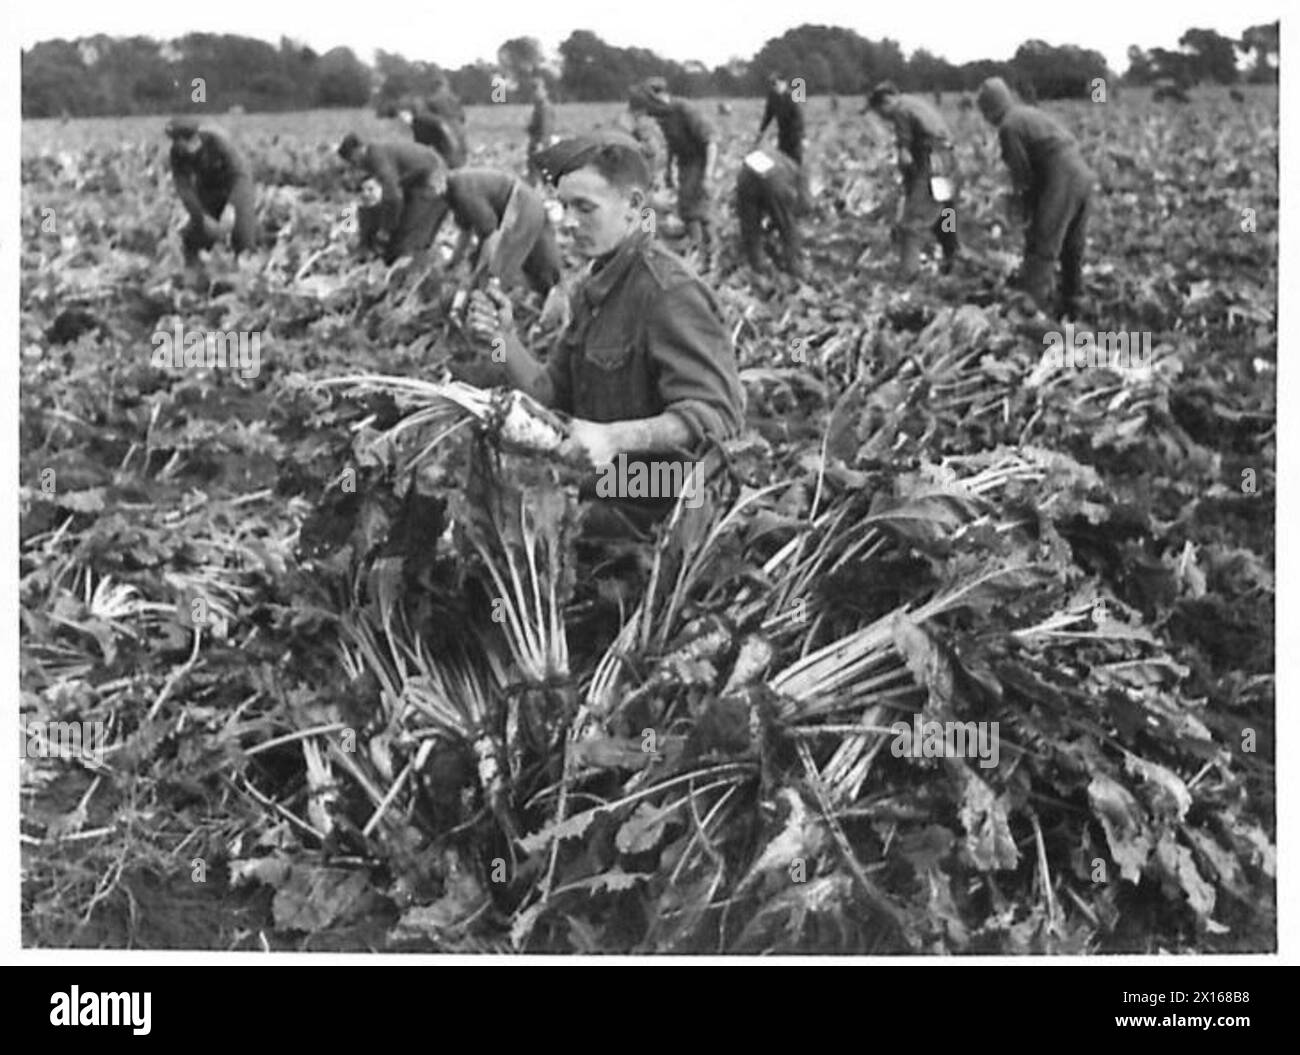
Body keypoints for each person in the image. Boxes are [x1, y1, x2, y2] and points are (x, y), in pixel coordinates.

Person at [465, 140, 744, 537]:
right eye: (562, 207)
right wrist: (503, 339)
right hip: (608, 487)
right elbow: (550, 395)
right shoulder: (589, 292)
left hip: (669, 502)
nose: (567, 222)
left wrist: (615, 438)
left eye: (584, 208)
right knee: (483, 494)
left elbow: (720, 418)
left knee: (516, 518)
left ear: (632, 206)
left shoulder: (668, 292)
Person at [976, 76, 1094, 315]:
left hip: (1061, 175)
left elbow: (1022, 175)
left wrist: (1027, 211)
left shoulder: (1009, 127)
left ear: (989, 111)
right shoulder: (1026, 113)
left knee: (1042, 245)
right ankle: (1074, 302)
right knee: (1072, 245)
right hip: (1082, 172)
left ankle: (1029, 311)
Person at [867, 81, 959, 278]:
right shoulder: (915, 103)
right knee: (945, 212)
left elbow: (905, 154)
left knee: (912, 223)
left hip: (929, 162)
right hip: (946, 160)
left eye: (880, 112)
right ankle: (952, 257)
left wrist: (909, 186)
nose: (883, 118)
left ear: (886, 101)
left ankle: (908, 274)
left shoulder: (900, 110)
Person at [428, 167, 562, 295]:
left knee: (498, 271)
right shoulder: (453, 195)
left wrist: (479, 272)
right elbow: (465, 232)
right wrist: (452, 262)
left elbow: (491, 236)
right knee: (539, 267)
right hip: (524, 204)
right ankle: (547, 291)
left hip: (521, 206)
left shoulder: (463, 193)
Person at [633, 79, 718, 259]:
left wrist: (708, 175)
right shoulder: (661, 115)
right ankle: (700, 248)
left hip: (700, 159)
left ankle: (702, 251)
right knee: (686, 207)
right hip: (684, 162)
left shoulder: (684, 109)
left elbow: (710, 142)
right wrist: (669, 171)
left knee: (692, 208)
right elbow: (672, 143)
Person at [338, 133, 449, 264]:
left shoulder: (377, 158)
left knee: (407, 240)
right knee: (395, 236)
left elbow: (393, 197)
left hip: (432, 181)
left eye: (352, 160)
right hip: (417, 181)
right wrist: (348, 231)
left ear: (358, 151)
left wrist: (385, 230)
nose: (366, 194)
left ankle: (417, 261)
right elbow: (350, 212)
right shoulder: (370, 164)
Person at [164, 117, 260, 264]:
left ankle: (246, 267)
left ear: (189, 139)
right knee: (193, 238)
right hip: (208, 191)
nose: (176, 145)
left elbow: (241, 176)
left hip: (236, 190)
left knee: (242, 237)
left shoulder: (218, 143)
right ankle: (197, 273)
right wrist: (201, 216)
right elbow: (184, 188)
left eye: (179, 141)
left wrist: (231, 207)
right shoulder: (176, 153)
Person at [736, 148, 807, 278]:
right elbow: (798, 211)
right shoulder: (799, 179)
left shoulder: (786, 163)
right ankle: (794, 268)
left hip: (745, 175)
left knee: (750, 227)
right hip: (774, 179)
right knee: (787, 227)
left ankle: (758, 267)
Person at [754, 72, 805, 164]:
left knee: (795, 161)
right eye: (772, 84)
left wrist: (800, 136)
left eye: (776, 83)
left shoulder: (793, 97)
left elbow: (799, 119)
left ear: (784, 83)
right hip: (782, 133)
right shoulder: (772, 97)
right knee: (782, 160)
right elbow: (768, 115)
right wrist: (761, 130)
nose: (774, 87)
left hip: (794, 134)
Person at [403, 99, 468, 169]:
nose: (403, 118)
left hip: (448, 148)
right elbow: (421, 143)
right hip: (444, 148)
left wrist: (452, 141)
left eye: (405, 114)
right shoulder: (416, 124)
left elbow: (441, 124)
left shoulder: (422, 118)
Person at [525, 78, 557, 185]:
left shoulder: (545, 108)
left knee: (538, 174)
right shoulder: (538, 107)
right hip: (535, 144)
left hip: (541, 146)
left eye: (537, 90)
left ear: (544, 91)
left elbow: (546, 128)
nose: (534, 93)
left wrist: (541, 145)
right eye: (533, 90)